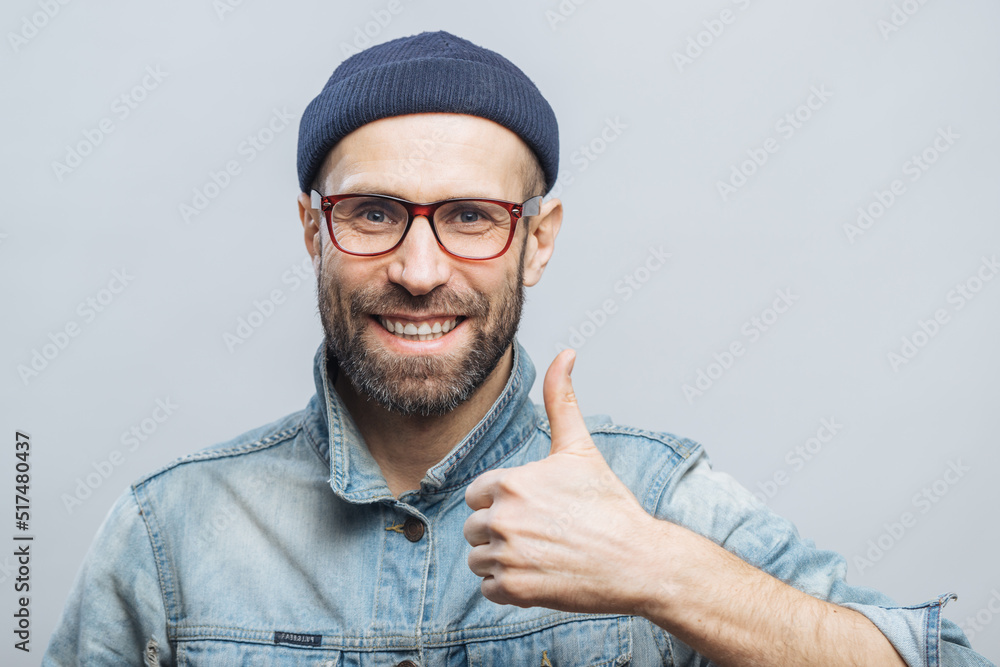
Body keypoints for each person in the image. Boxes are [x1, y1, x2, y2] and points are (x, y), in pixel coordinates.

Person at [44, 30, 992, 666]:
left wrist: (659, 572)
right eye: (372, 213)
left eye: (470, 217)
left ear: (537, 240)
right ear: (311, 230)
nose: (420, 269)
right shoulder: (166, 536)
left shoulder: (653, 502)